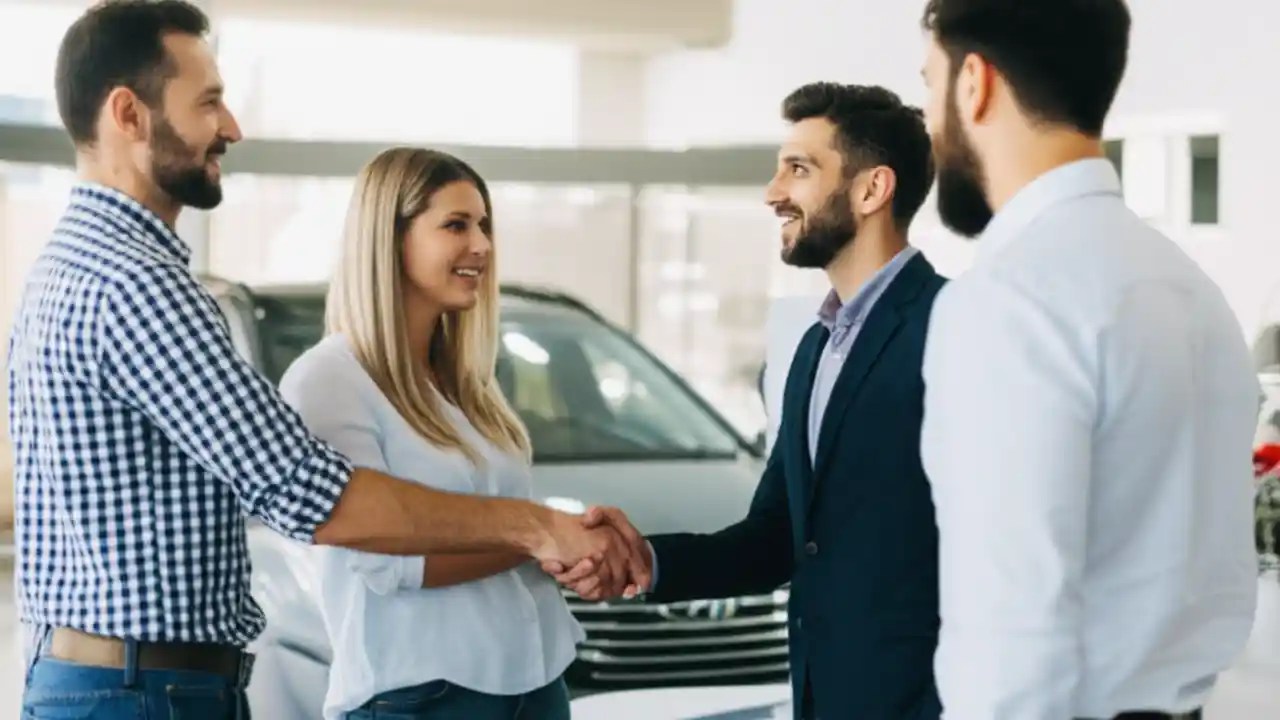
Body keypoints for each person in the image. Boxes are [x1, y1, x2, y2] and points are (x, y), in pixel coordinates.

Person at [7, 3, 644, 718]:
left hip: (123, 681)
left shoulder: (72, 267)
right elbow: (309, 491)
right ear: (129, 113)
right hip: (144, 692)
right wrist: (537, 527)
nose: (232, 128)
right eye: (209, 101)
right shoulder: (137, 285)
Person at [550, 82, 945, 720]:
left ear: (873, 189)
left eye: (799, 169)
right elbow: (776, 540)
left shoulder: (954, 328)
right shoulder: (814, 351)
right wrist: (646, 559)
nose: (773, 193)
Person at [917, 2, 1260, 719]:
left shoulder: (1009, 300)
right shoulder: (1193, 291)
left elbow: (1008, 639)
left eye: (929, 83)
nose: (928, 118)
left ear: (974, 83)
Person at [277, 147, 584, 720]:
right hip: (422, 699)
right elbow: (391, 567)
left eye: (485, 226)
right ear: (389, 239)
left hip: (536, 683)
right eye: (456, 225)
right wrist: (537, 537)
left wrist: (565, 541)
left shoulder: (468, 381)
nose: (483, 247)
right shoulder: (328, 380)